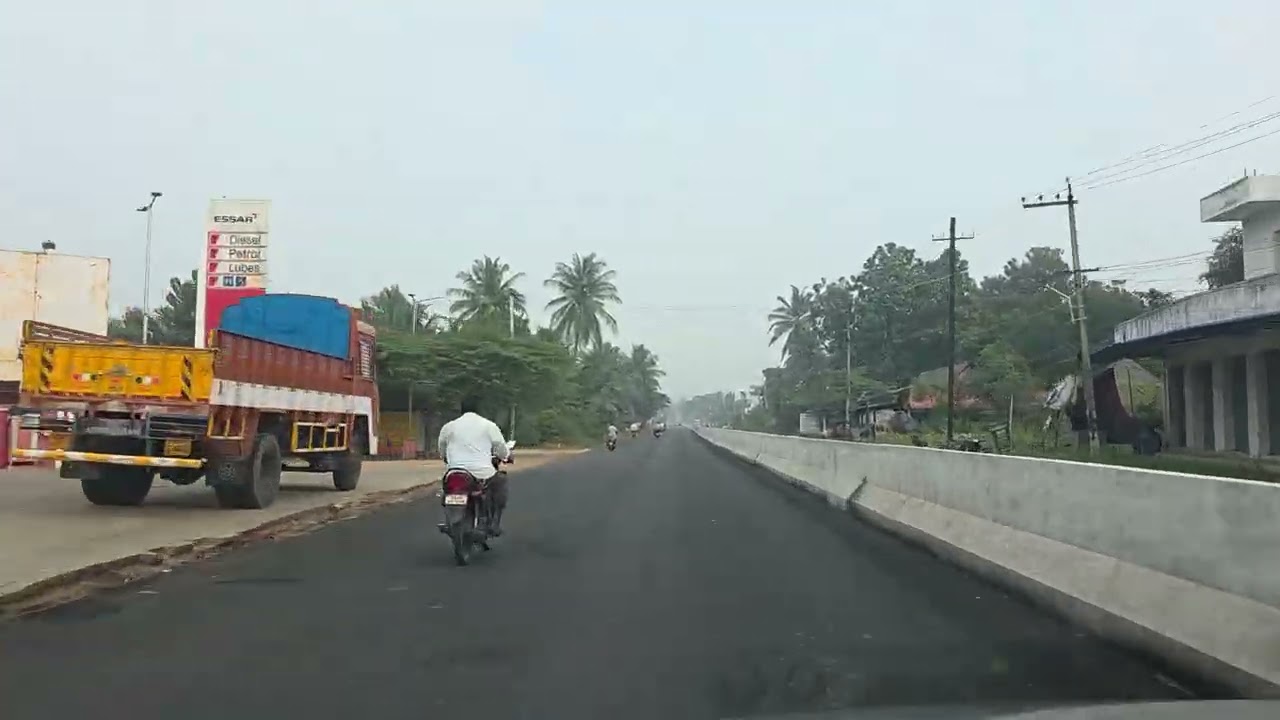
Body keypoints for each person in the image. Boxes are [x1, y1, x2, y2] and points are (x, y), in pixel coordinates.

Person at [437, 396, 511, 536]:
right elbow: (501, 447)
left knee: (446, 490)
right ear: (479, 410)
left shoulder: (449, 426)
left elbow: (442, 447)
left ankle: (450, 518)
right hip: (481, 473)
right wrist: (506, 457)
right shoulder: (488, 425)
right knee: (500, 482)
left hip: (454, 472)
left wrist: (448, 460)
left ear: (461, 409)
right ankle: (493, 523)